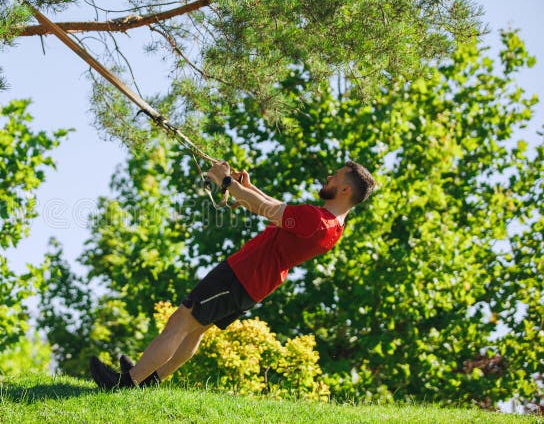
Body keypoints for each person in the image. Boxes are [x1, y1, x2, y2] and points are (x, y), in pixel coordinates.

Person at [89, 160, 376, 389]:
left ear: (345, 190)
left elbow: (273, 210)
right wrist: (248, 189)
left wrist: (226, 182)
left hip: (241, 275)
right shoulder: (332, 226)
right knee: (195, 329)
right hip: (253, 282)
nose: (330, 177)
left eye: (336, 176)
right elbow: (276, 210)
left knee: (182, 320)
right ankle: (149, 378)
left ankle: (127, 383)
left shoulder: (318, 220)